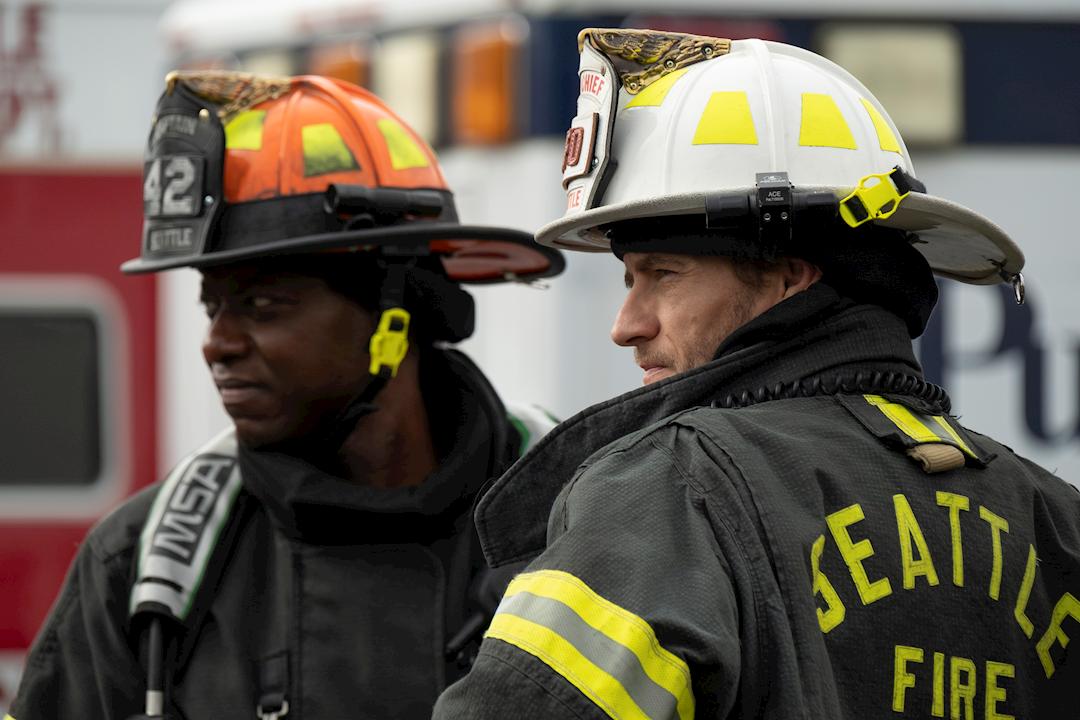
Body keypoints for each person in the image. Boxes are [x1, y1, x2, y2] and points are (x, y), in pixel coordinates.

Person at [434, 29, 1080, 719]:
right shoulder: (1053, 518)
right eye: (629, 279)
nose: (627, 324)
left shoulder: (671, 491)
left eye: (663, 275)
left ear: (788, 277)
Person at [7, 71, 563, 720]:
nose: (219, 343)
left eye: (264, 305)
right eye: (213, 307)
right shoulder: (143, 565)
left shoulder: (566, 516)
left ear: (395, 312)